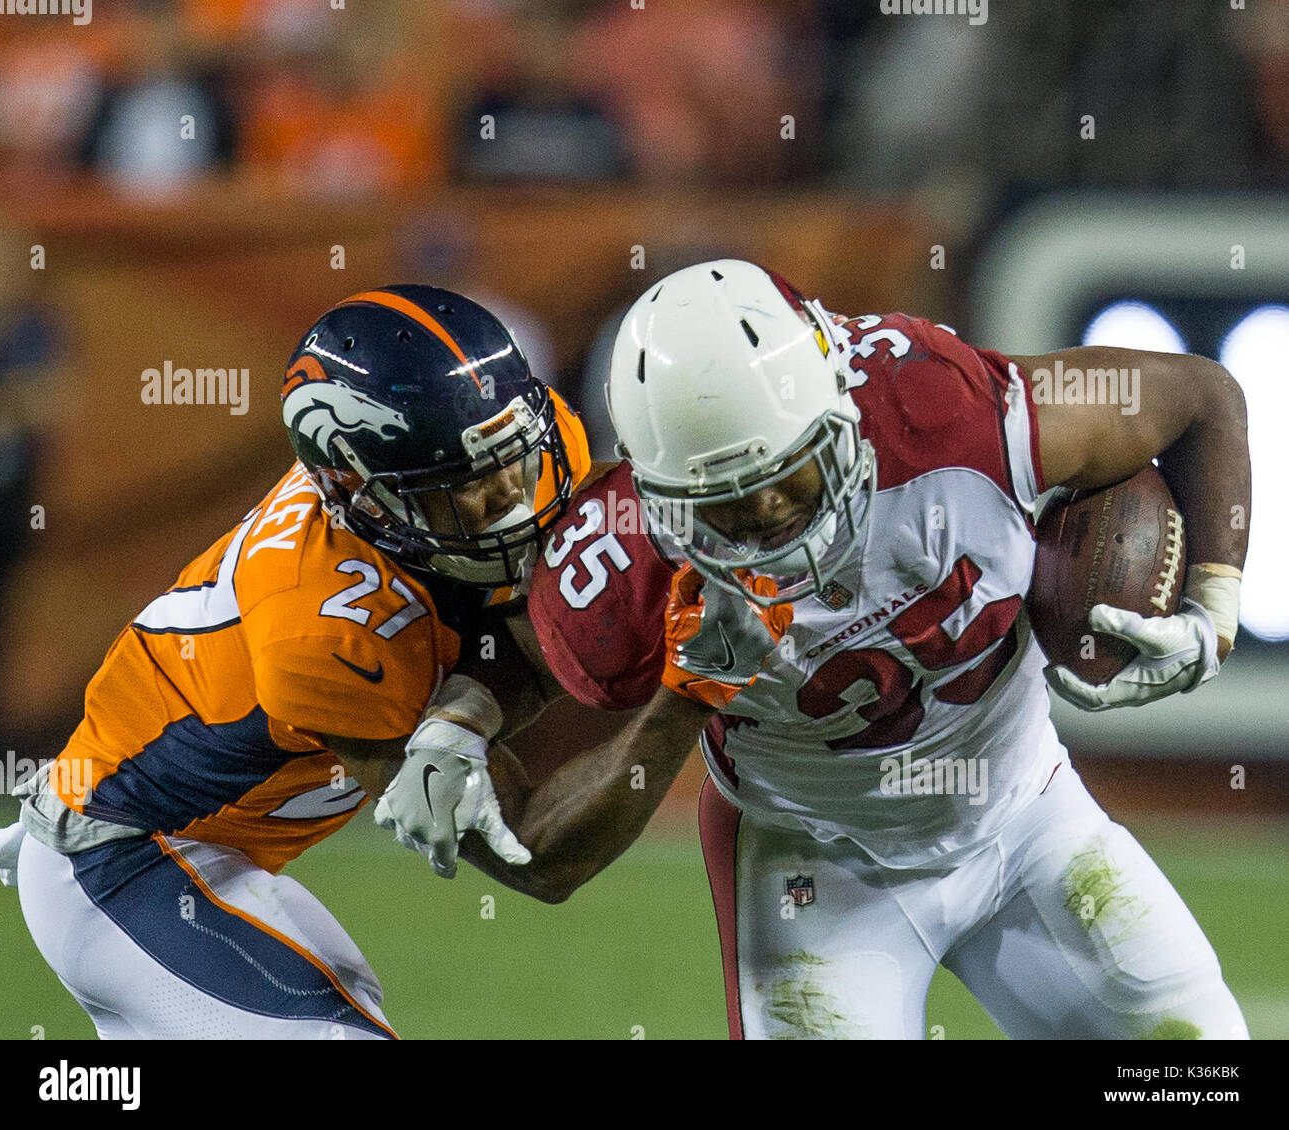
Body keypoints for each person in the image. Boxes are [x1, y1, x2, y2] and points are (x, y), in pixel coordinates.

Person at [515, 258, 1251, 1040]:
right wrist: (669, 692)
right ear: (659, 499)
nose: (769, 517)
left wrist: (1215, 604)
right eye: (725, 507)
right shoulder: (623, 562)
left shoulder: (953, 412)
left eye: (787, 476)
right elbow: (540, 821)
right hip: (816, 865)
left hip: (1030, 815)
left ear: (837, 410)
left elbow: (1203, 398)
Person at [0, 285, 608, 1039]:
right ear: (364, 497)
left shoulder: (527, 446)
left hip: (214, 852)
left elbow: (535, 628)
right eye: (463, 488)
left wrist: (464, 710)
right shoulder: (320, 625)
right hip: (122, 862)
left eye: (512, 459)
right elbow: (533, 852)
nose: (512, 496)